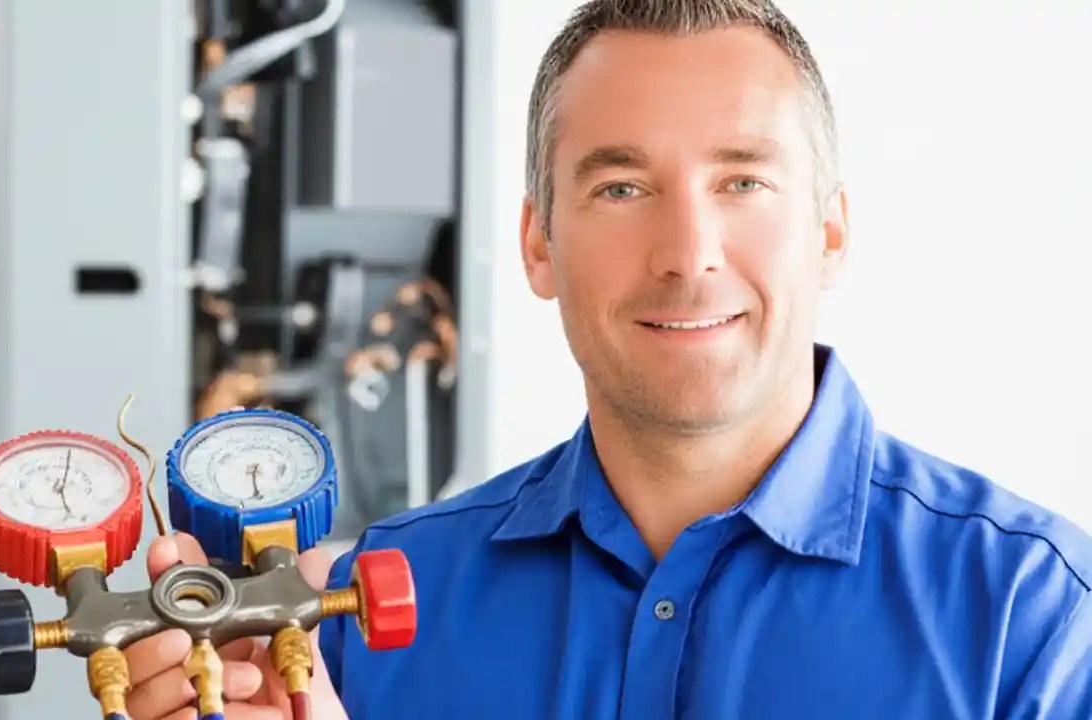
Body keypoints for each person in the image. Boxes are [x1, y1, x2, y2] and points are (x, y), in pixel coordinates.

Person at [123, 0, 1092, 717]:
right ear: (537, 244)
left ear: (828, 235)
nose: (688, 254)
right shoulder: (361, 616)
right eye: (622, 188)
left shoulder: (1029, 620)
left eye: (742, 181)